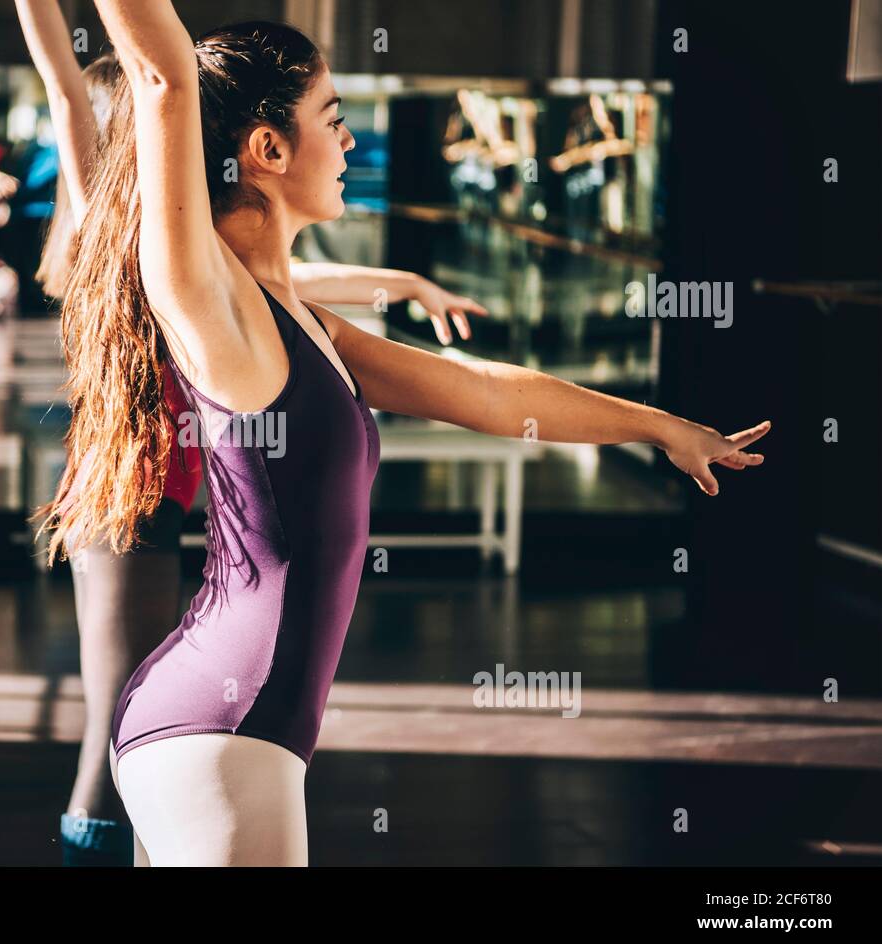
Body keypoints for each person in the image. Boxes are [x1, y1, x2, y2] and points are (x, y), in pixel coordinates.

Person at [43, 6, 769, 866]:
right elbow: (164, 74)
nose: (350, 142)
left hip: (225, 726)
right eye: (333, 120)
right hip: (224, 730)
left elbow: (484, 391)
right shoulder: (214, 307)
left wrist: (658, 426)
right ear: (269, 150)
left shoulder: (300, 323)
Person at [13, 0, 485, 866]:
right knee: (112, 728)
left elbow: (296, 284)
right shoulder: (129, 238)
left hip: (167, 492)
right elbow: (66, 86)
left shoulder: (209, 260)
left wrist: (405, 283)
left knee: (140, 718)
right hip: (128, 502)